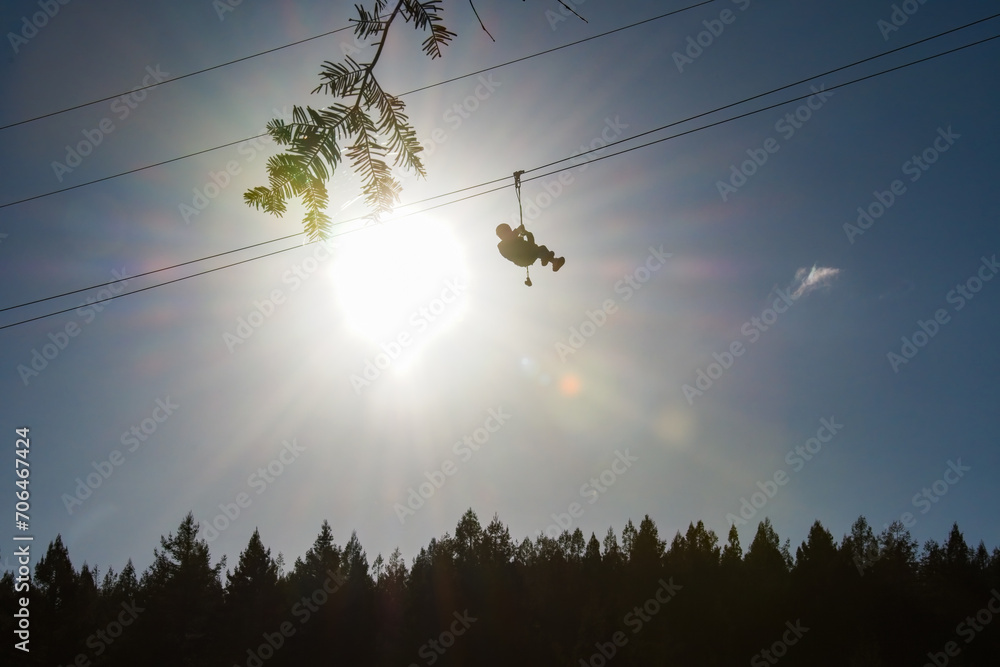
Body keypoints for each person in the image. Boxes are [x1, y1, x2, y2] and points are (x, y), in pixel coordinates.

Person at [496, 223, 565, 286]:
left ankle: (553, 261)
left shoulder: (517, 239)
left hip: (529, 256)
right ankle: (545, 258)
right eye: (506, 231)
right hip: (523, 259)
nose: (509, 232)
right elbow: (509, 239)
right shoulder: (501, 246)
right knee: (540, 249)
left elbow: (531, 244)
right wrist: (518, 231)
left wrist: (527, 233)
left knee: (541, 248)